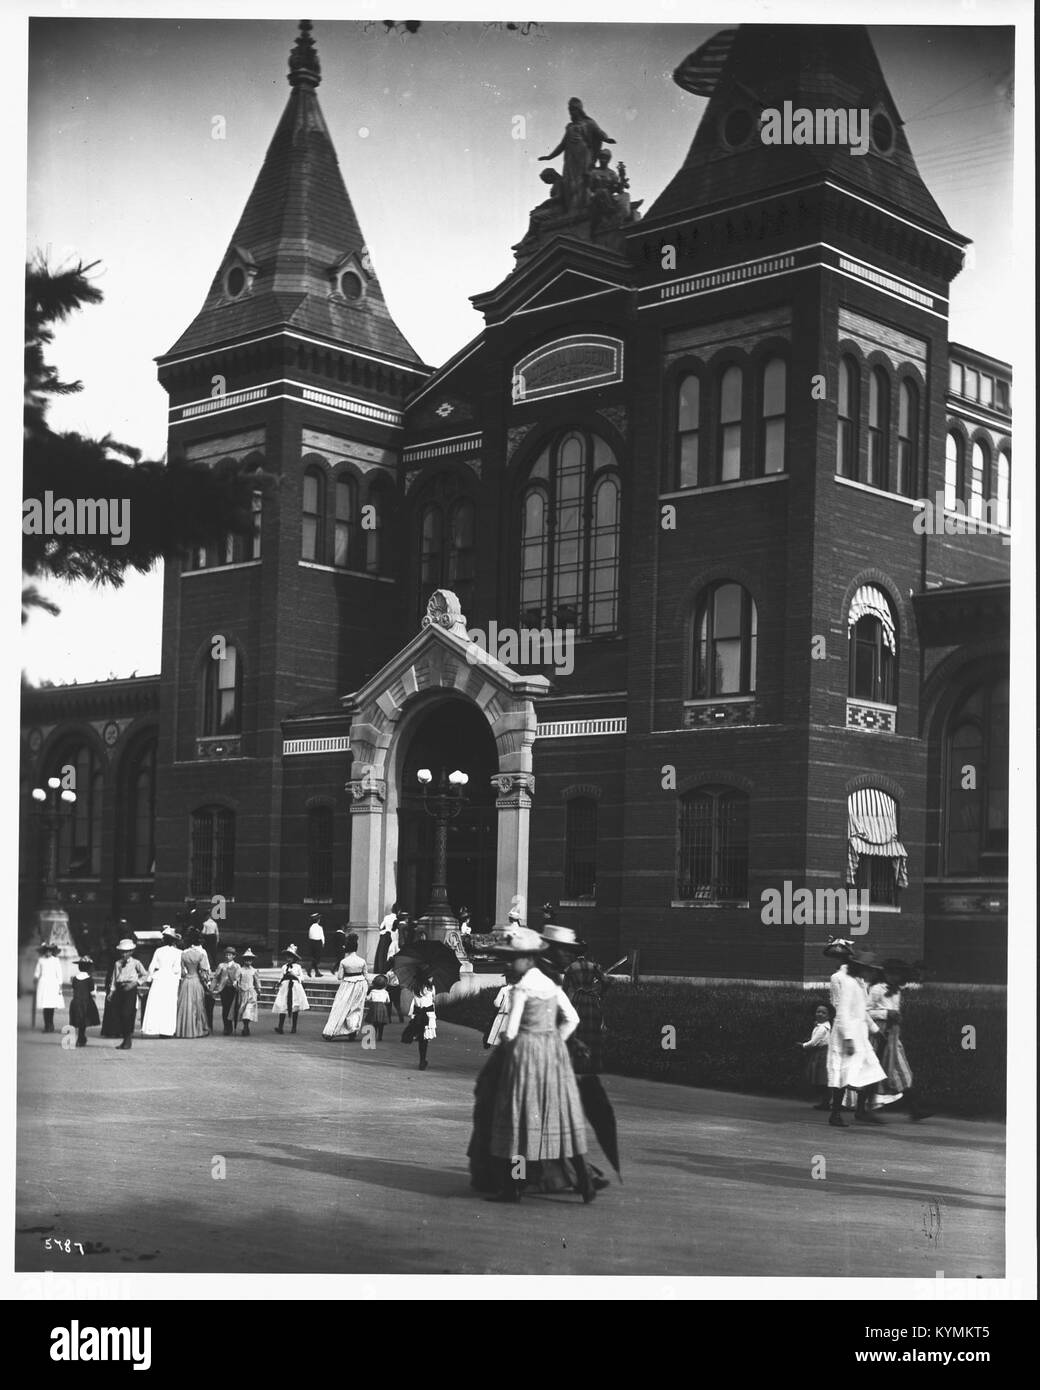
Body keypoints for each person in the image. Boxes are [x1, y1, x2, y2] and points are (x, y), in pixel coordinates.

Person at [481, 926, 594, 1203]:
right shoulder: (551, 986)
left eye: (513, 958)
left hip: (526, 1054)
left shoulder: (521, 988)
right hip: (553, 1054)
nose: (509, 963)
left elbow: (510, 1030)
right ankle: (585, 1182)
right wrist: (555, 1039)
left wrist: (512, 1048)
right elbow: (572, 1019)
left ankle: (513, 1187)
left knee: (519, 1116)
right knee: (559, 1113)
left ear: (529, 958)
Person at [823, 940, 888, 1126]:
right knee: (843, 1074)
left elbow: (862, 1011)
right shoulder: (842, 980)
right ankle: (835, 1114)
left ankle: (861, 1110)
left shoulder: (859, 983)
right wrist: (849, 1038)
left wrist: (875, 1030)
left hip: (860, 1033)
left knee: (872, 1070)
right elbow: (840, 1010)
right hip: (846, 1033)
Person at [868, 960, 929, 1120]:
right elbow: (866, 1011)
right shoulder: (876, 989)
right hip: (879, 1034)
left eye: (898, 974)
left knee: (902, 1070)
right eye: (891, 973)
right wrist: (886, 1014)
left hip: (893, 1035)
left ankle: (914, 1109)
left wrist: (896, 1017)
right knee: (877, 1071)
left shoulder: (897, 991)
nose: (894, 977)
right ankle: (868, 1108)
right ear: (885, 973)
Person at [539, 96, 616, 213]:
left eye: (574, 109)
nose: (571, 112)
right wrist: (550, 156)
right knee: (570, 184)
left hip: (583, 156)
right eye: (570, 109)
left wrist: (606, 139)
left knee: (582, 182)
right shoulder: (569, 127)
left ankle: (583, 208)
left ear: (579, 109)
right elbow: (562, 145)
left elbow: (599, 132)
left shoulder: (588, 122)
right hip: (570, 159)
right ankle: (572, 210)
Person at [106, 937, 150, 1050]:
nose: (124, 954)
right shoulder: (117, 963)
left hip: (130, 989)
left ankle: (128, 1039)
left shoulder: (136, 963)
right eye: (122, 951)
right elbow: (114, 978)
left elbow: (145, 974)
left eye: (126, 951)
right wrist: (111, 991)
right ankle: (125, 1039)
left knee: (127, 1014)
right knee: (120, 1014)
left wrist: (136, 983)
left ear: (131, 952)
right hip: (120, 989)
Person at [323, 933, 368, 1039]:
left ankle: (332, 1030)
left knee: (340, 1006)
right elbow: (365, 975)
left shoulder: (344, 961)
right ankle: (352, 1030)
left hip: (347, 984)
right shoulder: (362, 961)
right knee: (356, 1008)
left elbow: (339, 977)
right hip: (360, 984)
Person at [142, 926, 182, 1038]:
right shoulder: (178, 952)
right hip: (170, 979)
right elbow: (176, 969)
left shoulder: (159, 951)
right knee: (169, 1004)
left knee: (157, 1003)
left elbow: (152, 966)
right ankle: (167, 1030)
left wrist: (150, 978)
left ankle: (154, 1028)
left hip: (159, 978)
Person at [176, 929, 212, 1038]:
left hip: (187, 981)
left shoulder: (184, 953)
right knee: (198, 1005)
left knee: (186, 1005)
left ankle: (184, 1030)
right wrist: (207, 984)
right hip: (196, 981)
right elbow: (204, 972)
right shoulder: (201, 954)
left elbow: (182, 971)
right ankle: (198, 1029)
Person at [800, 1002, 835, 1109]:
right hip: (819, 1053)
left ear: (828, 1016)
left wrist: (803, 1046)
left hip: (823, 1054)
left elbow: (814, 1042)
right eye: (818, 1012)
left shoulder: (823, 1028)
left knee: (823, 1079)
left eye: (823, 1013)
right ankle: (825, 1101)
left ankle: (826, 1102)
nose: (820, 1014)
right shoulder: (820, 1026)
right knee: (821, 1079)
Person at [272, 945, 310, 1034]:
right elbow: (281, 977)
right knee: (283, 1005)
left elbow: (302, 978)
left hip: (294, 987)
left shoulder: (298, 967)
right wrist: (278, 983)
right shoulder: (284, 967)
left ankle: (294, 1027)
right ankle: (280, 1027)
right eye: (287, 956)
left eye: (291, 957)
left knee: (294, 1006)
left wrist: (294, 975)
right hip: (285, 986)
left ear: (294, 958)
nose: (289, 958)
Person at [405, 974, 437, 1071]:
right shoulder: (432, 988)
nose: (432, 978)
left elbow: (414, 1002)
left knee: (421, 1038)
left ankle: (422, 1060)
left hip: (418, 1014)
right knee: (425, 1039)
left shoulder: (415, 987)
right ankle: (423, 1060)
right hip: (428, 1015)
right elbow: (433, 1000)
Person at [68, 955, 101, 1047]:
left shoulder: (75, 979)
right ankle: (81, 1038)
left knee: (78, 1020)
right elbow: (93, 992)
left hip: (76, 1001)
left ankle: (81, 1038)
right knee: (84, 1021)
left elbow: (74, 988)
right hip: (86, 1002)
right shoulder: (89, 979)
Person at [34, 943, 65, 1033]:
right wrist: (35, 978)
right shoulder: (41, 960)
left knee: (51, 1005)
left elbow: (59, 973)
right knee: (45, 1005)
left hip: (52, 984)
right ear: (44, 951)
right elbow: (37, 971)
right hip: (43, 984)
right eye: (47, 951)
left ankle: (51, 1024)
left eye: (50, 951)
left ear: (52, 952)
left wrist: (60, 985)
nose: (48, 952)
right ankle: (46, 1025)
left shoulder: (56, 960)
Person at [212, 947, 242, 1035]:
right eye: (226, 954)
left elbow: (238, 977)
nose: (228, 956)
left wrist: (236, 984)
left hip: (233, 988)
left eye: (230, 955)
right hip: (224, 989)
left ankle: (232, 1025)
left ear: (234, 956)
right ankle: (226, 1027)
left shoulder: (237, 966)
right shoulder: (221, 965)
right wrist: (212, 989)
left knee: (233, 1007)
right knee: (225, 1007)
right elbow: (216, 977)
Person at [235, 949, 261, 1037]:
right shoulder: (240, 970)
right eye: (246, 959)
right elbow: (236, 980)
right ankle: (245, 1026)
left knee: (248, 1010)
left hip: (251, 993)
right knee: (243, 1010)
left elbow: (257, 982)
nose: (248, 961)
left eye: (250, 959)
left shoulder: (254, 971)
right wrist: (237, 986)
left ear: (252, 960)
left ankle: (246, 1027)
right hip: (242, 993)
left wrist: (259, 991)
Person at [373, 904, 399, 975]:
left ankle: (380, 968)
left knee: (382, 953)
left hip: (384, 935)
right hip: (392, 936)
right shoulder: (397, 918)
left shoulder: (386, 917)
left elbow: (381, 926)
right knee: (391, 953)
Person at [368, 974, 391, 1042]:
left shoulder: (372, 992)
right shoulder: (385, 992)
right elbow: (388, 1001)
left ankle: (373, 1036)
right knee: (381, 1024)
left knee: (374, 1023)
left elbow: (368, 998)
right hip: (382, 1007)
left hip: (374, 1007)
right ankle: (380, 1036)